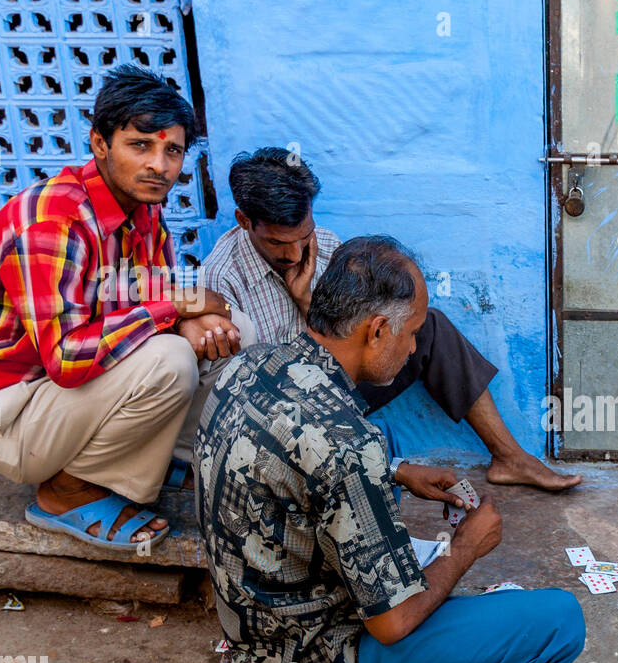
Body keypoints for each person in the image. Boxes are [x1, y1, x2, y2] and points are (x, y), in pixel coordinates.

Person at [195, 235, 585, 663]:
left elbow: (287, 456)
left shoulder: (252, 368)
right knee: (557, 622)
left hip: (250, 630)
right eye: (413, 332)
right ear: (376, 330)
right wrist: (466, 549)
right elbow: (394, 623)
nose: (413, 348)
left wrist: (395, 472)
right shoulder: (347, 446)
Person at [0, 64, 242, 551]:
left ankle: (158, 460)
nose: (160, 165)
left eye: (172, 150)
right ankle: (65, 493)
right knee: (170, 358)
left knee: (234, 330)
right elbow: (66, 359)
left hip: (69, 397)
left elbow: (145, 289)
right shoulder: (52, 222)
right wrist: (174, 311)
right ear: (99, 143)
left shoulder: (144, 207)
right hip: (14, 412)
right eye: (141, 145)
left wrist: (190, 313)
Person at [198, 147, 580, 492]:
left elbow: (354, 325)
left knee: (428, 326)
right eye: (279, 244)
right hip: (283, 415)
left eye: (304, 236)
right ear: (245, 221)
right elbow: (252, 387)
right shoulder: (222, 276)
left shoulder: (328, 245)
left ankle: (509, 456)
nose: (296, 254)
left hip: (342, 382)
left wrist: (305, 300)